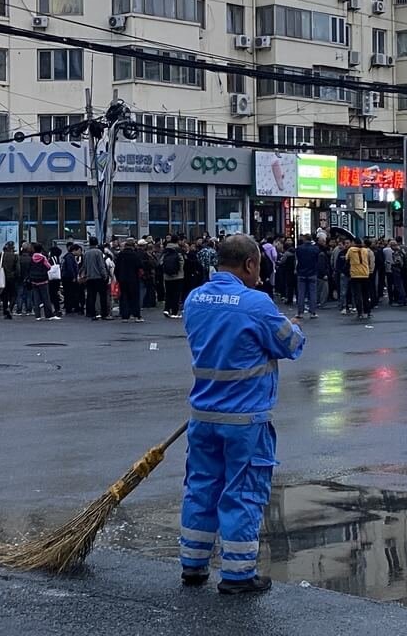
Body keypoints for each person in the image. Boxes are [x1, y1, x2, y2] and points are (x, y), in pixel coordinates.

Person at [179, 234, 306, 595]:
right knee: (242, 493)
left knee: (200, 488)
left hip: (203, 416)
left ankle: (193, 565)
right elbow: (290, 344)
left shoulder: (195, 300)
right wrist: (294, 325)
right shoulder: (257, 304)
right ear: (250, 263)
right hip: (245, 421)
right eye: (259, 267)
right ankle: (237, 574)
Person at [115, 238, 144, 322]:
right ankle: (136, 315)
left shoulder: (120, 255)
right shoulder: (135, 255)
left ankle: (125, 316)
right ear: (133, 245)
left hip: (123, 279)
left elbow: (117, 268)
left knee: (124, 296)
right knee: (135, 297)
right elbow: (140, 266)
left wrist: (118, 278)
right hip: (133, 279)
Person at [27, 242, 59, 320]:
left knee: (36, 298)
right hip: (43, 280)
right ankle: (49, 315)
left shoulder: (31, 257)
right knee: (46, 298)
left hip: (34, 280)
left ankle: (37, 315)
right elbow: (48, 267)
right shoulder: (43, 257)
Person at [346, 238, 373, 320]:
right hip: (365, 273)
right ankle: (367, 311)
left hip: (355, 274)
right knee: (366, 294)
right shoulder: (365, 250)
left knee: (357, 295)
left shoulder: (351, 250)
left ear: (354, 242)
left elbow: (347, 259)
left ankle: (360, 312)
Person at [294, 234, 320, 319]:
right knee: (312, 293)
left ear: (304, 239)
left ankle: (300, 312)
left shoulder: (299, 249)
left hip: (301, 272)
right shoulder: (315, 249)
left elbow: (298, 260)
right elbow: (317, 260)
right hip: (312, 273)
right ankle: (313, 312)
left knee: (301, 293)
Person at [161, 236, 185, 319]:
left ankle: (166, 309)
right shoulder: (179, 250)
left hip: (167, 276)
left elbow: (161, 262)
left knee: (168, 293)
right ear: (177, 241)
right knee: (176, 294)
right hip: (178, 276)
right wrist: (180, 271)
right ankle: (174, 312)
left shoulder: (165, 250)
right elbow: (182, 262)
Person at [0, 241, 18, 319]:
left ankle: (5, 311)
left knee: (5, 295)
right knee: (13, 294)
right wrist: (16, 275)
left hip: (2, 276)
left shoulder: (2, 255)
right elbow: (17, 269)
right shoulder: (15, 256)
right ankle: (10, 308)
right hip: (12, 278)